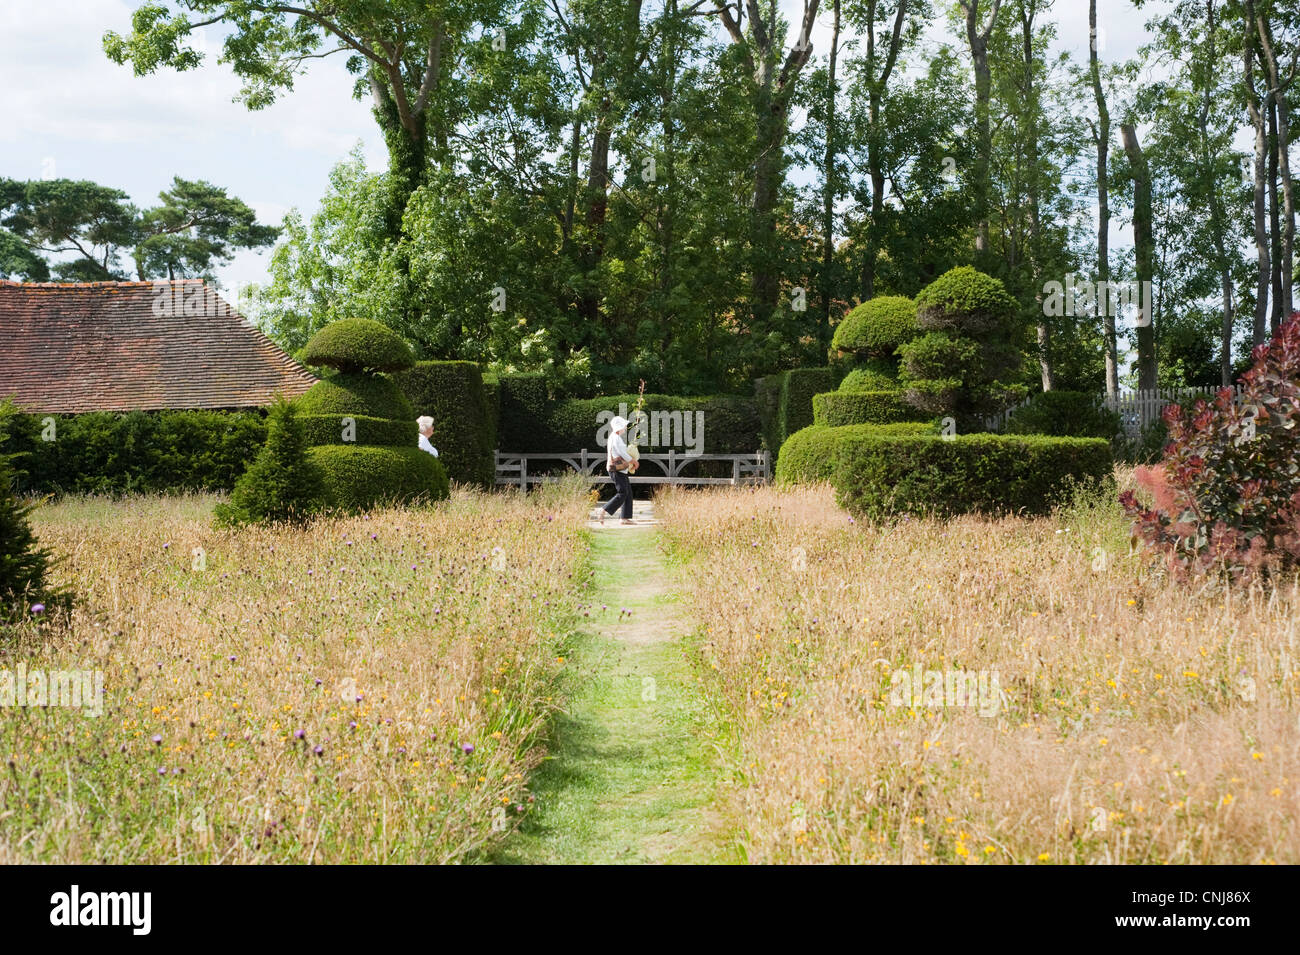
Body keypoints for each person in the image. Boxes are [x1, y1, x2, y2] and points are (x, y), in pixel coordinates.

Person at [597, 415, 634, 525]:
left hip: (619, 469)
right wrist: (633, 461)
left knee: (628, 493)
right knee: (623, 492)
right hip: (616, 469)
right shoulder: (616, 438)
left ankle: (624, 517)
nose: (625, 428)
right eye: (623, 426)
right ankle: (603, 510)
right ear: (619, 427)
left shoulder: (615, 437)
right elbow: (622, 453)